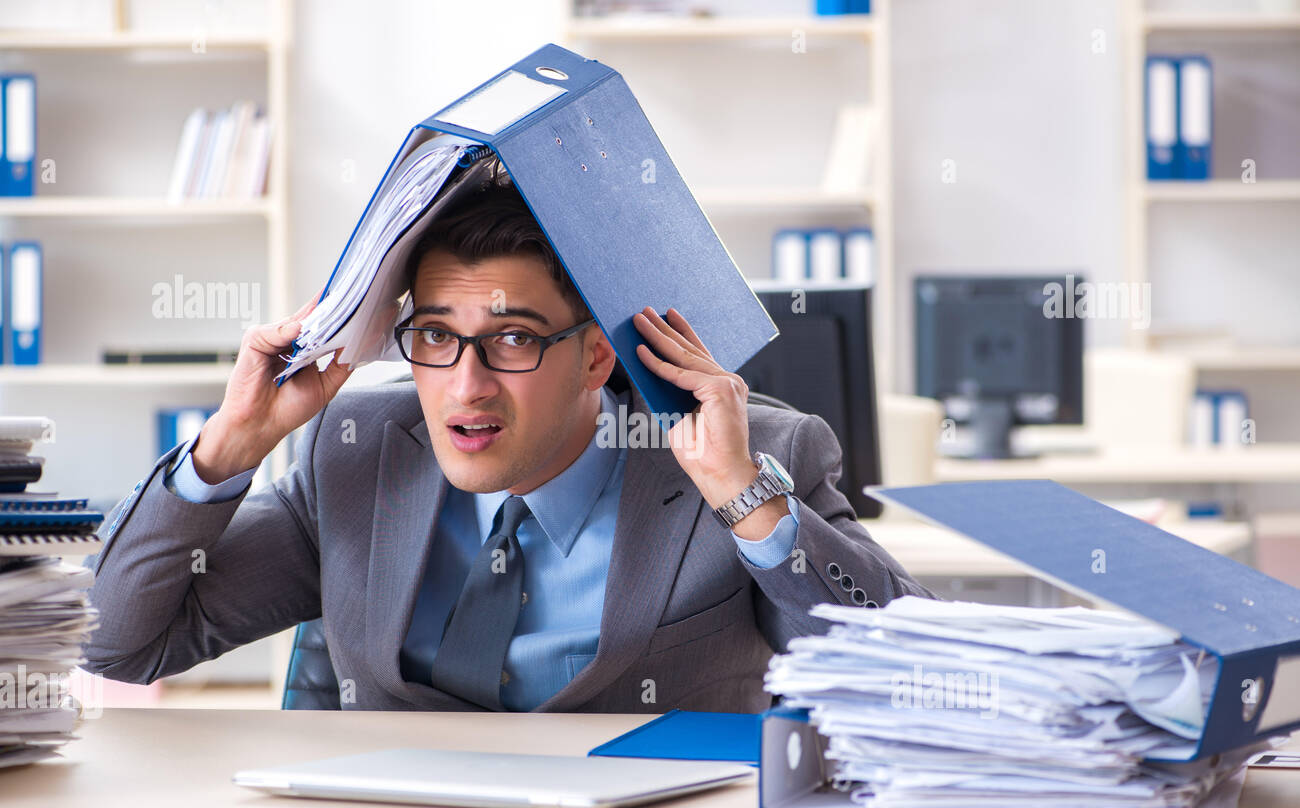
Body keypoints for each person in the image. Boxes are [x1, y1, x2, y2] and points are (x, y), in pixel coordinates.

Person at [84, 185, 933, 713]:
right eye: (435, 336)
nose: (466, 385)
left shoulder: (748, 458)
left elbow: (905, 679)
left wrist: (747, 499)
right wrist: (227, 448)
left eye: (514, 339)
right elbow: (117, 642)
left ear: (597, 353)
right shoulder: (355, 453)